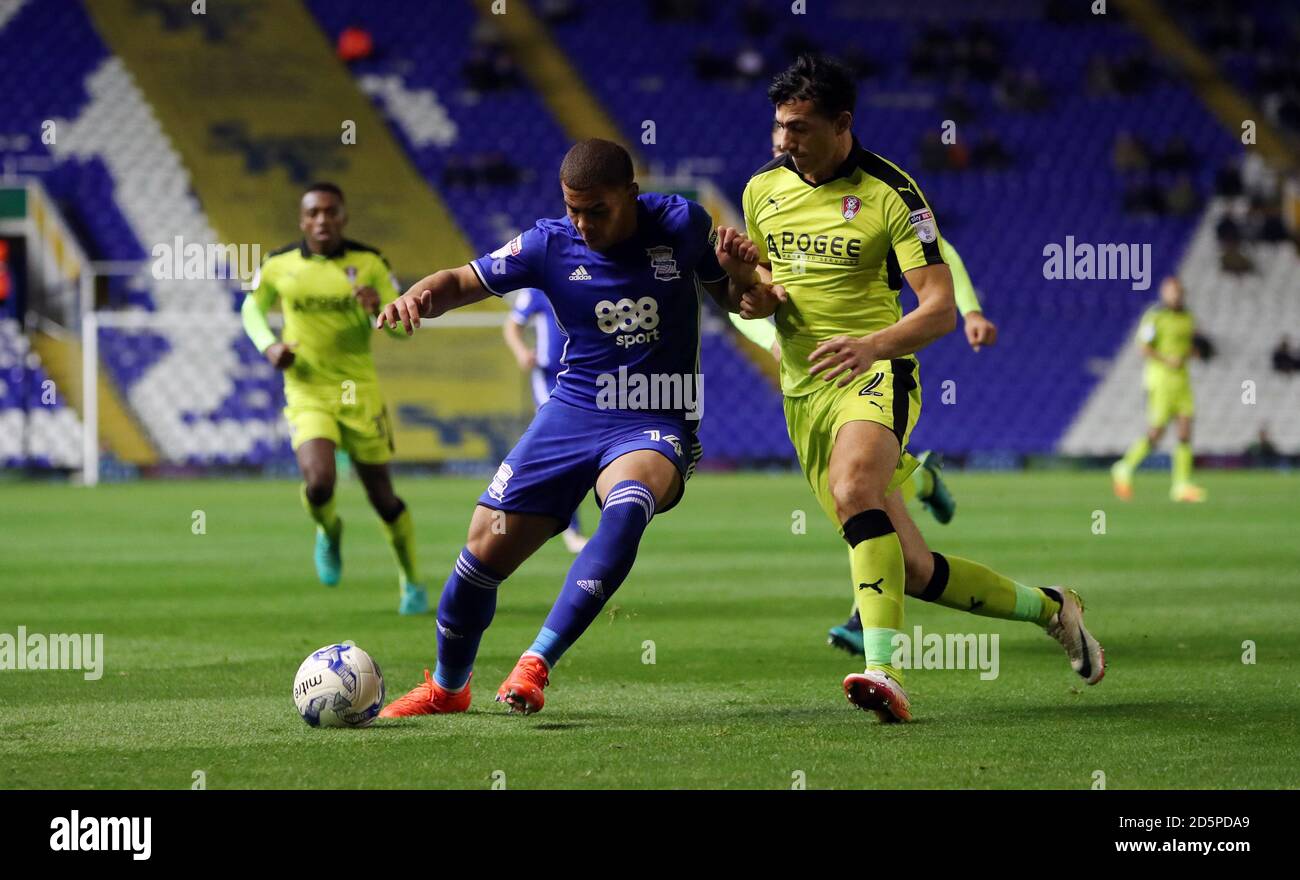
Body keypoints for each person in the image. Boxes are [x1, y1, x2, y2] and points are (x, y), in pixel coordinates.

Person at [735, 55, 1103, 721]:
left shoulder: (892, 194)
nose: (784, 141)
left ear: (843, 124)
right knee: (914, 568)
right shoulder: (762, 189)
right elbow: (766, 294)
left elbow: (935, 307)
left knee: (854, 489)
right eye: (778, 127)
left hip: (878, 374)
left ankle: (885, 671)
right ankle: (1055, 608)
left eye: (799, 128)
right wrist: (747, 286)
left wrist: (872, 346)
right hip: (804, 392)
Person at [375, 139, 763, 717]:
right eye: (572, 209)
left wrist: (739, 276)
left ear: (631, 195)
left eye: (596, 211)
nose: (581, 224)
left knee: (627, 505)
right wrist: (415, 297)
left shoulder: (682, 223)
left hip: (657, 411)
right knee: (482, 549)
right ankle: (448, 689)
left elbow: (737, 300)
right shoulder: (548, 243)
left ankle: (536, 663)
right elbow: (462, 280)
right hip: (573, 410)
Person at [241, 182, 427, 615]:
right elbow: (251, 309)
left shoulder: (370, 263)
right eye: (313, 213)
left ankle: (411, 580)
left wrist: (378, 307)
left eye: (330, 212)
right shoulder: (278, 265)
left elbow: (402, 329)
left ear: (343, 217)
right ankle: (328, 529)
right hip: (307, 391)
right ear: (302, 220)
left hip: (360, 394)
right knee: (319, 480)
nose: (322, 220)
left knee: (383, 498)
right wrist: (270, 346)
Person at [502, 286, 588, 552]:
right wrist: (521, 353)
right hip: (549, 378)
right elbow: (512, 326)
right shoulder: (538, 289)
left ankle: (526, 505)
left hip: (583, 376)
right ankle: (570, 529)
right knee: (564, 449)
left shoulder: (584, 279)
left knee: (575, 453)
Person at [1111, 276, 1207, 503]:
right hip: (1160, 380)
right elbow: (1143, 347)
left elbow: (1191, 345)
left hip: (1182, 380)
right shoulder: (1155, 316)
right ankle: (1124, 467)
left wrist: (1191, 353)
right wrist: (1166, 359)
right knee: (1157, 432)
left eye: (1178, 292)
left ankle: (1181, 485)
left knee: (1185, 429)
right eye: (1170, 292)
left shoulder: (1189, 318)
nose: (1175, 296)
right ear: (1164, 294)